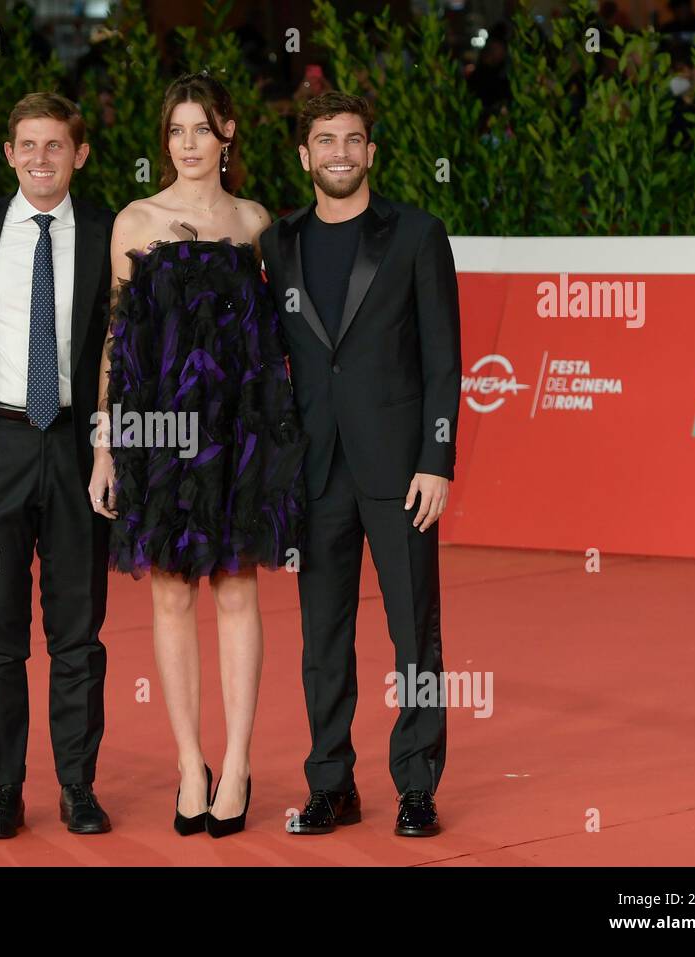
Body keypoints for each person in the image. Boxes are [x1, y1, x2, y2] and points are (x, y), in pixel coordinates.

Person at [92, 73, 306, 838]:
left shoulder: (255, 223)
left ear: (228, 133)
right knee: (172, 593)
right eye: (175, 130)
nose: (188, 143)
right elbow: (119, 340)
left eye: (201, 128)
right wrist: (104, 446)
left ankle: (238, 763)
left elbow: (277, 342)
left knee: (238, 589)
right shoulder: (134, 222)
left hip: (236, 428)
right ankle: (190, 763)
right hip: (154, 431)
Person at [260, 91, 461, 837]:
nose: (339, 151)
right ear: (305, 156)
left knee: (415, 631)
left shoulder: (416, 235)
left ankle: (415, 784)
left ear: (371, 152)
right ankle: (331, 782)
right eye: (324, 140)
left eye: (352, 139)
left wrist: (436, 458)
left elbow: (444, 359)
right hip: (314, 472)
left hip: (401, 467)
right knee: (323, 637)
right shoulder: (277, 243)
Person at [0, 93, 117, 839]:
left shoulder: (111, 232)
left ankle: (77, 786)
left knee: (78, 633)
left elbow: (123, 350)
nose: (41, 158)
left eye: (56, 146)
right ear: (8, 154)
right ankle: (3, 787)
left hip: (78, 446)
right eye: (27, 145)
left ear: (79, 154)